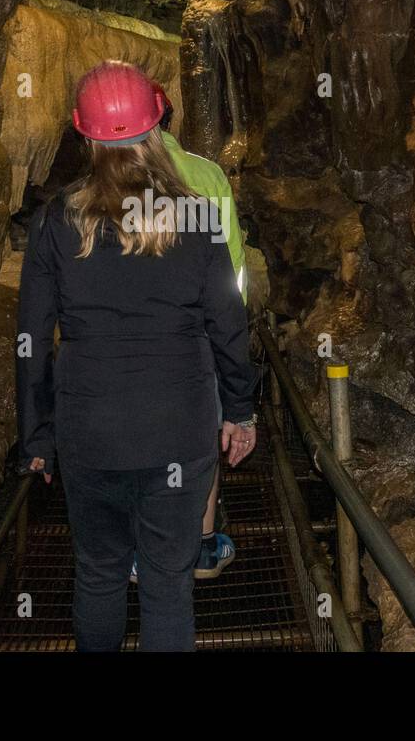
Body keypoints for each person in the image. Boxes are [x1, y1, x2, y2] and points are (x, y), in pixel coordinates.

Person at [16, 60, 258, 652]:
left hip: (90, 430)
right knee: (167, 583)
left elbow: (30, 340)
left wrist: (36, 437)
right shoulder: (197, 217)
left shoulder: (55, 220)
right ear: (156, 127)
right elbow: (229, 326)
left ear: (84, 132)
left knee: (99, 574)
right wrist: (241, 412)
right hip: (178, 427)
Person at [150, 83, 246, 580]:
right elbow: (231, 262)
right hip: (203, 333)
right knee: (203, 434)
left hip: (138, 341)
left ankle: (144, 547)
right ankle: (204, 544)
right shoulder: (207, 173)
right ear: (169, 119)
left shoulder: (107, 179)